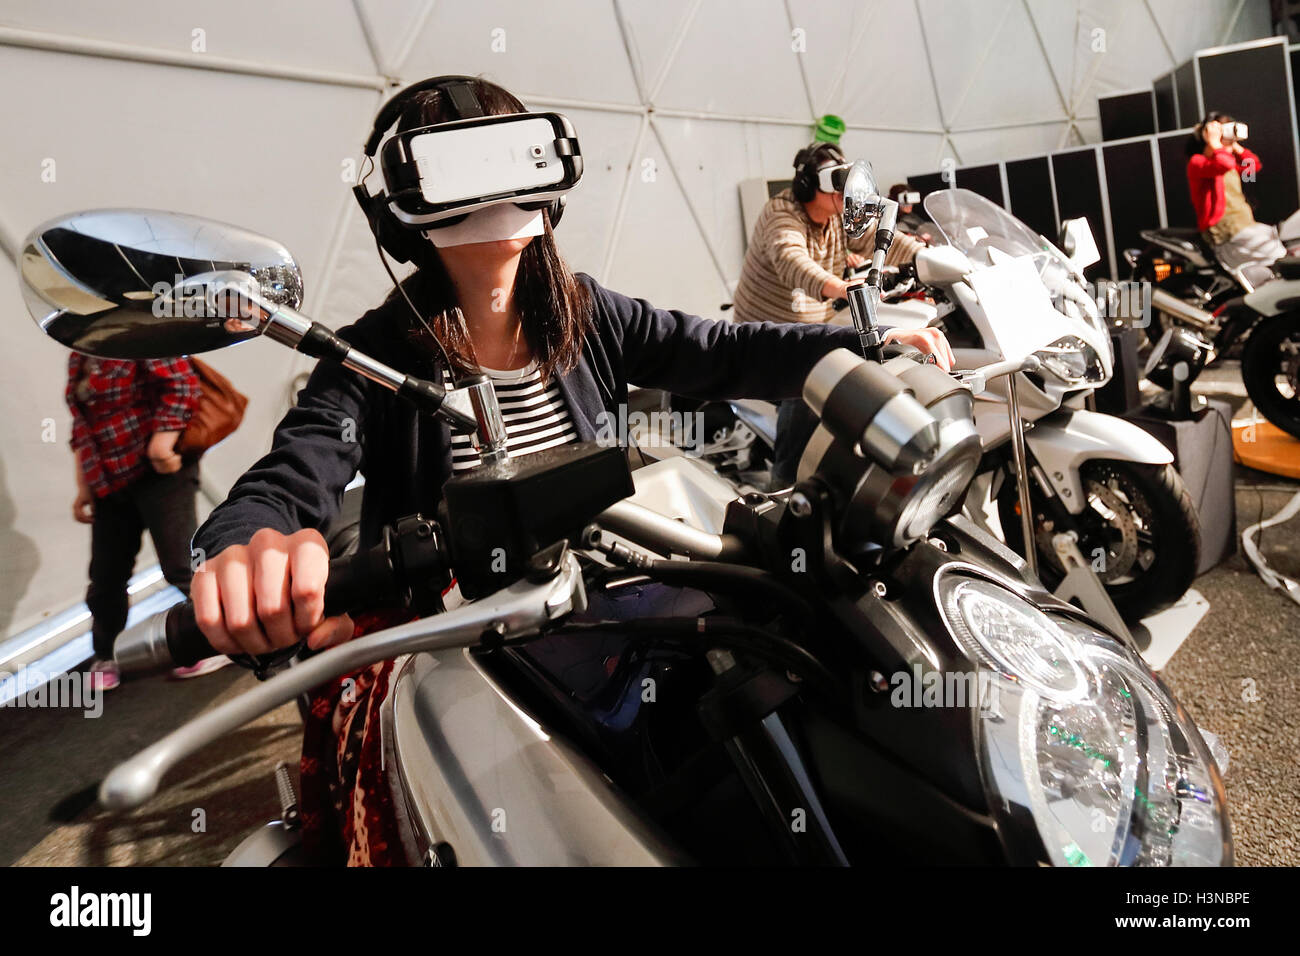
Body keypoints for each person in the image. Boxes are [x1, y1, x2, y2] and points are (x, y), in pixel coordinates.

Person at [731, 142, 952, 488]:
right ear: (808, 186)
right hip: (765, 337)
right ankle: (786, 488)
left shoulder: (836, 217)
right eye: (835, 179)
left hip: (811, 327)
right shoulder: (781, 213)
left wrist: (929, 257)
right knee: (808, 383)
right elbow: (793, 262)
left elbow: (882, 241)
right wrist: (841, 285)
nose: (843, 189)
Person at [67, 354, 218, 690]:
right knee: (105, 577)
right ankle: (106, 654)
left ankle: (214, 635)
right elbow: (82, 426)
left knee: (181, 563)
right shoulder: (79, 352)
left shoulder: (134, 334)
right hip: (109, 485)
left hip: (160, 475)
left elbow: (181, 385)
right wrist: (84, 486)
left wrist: (162, 444)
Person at [1186, 111, 1285, 287]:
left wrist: (1236, 146)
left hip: (1244, 227)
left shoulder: (1227, 163)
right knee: (1281, 257)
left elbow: (1252, 168)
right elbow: (1223, 164)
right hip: (1226, 234)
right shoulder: (1198, 162)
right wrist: (1215, 143)